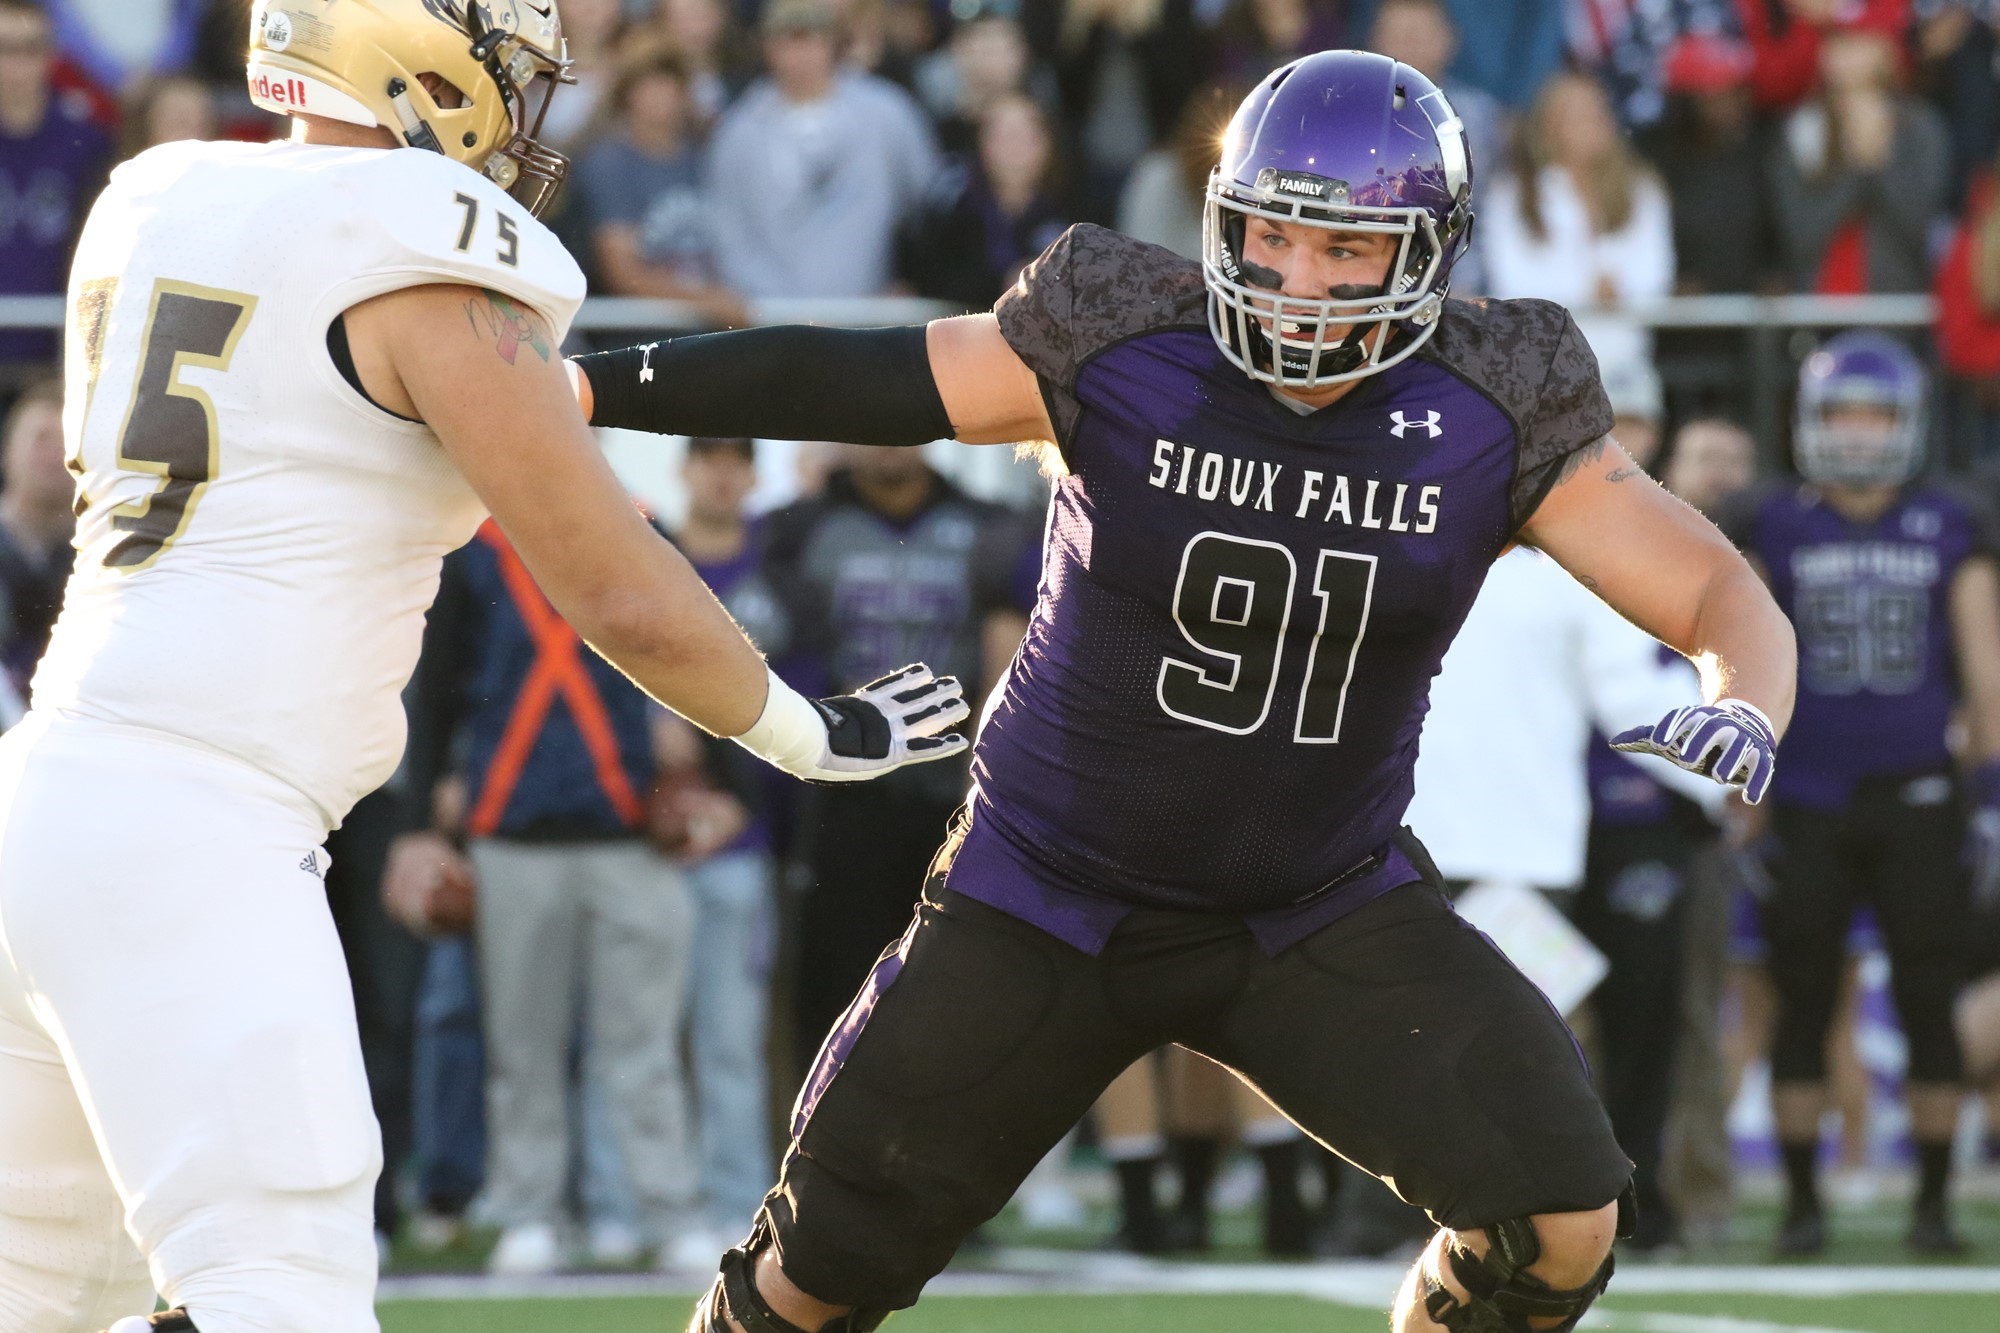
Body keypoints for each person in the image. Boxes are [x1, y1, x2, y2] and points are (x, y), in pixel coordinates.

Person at [568, 49, 1798, 1333]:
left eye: (1344, 252)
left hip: (1313, 903)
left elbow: (1715, 589)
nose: (1297, 282)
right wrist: (594, 384)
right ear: (1221, 218)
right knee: (806, 1287)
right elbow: (861, 380)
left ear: (1428, 253)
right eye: (1270, 235)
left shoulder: (1491, 401)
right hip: (1042, 892)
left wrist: (1743, 698)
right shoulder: (1122, 335)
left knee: (1557, 1224)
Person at [0, 2, 971, 1330]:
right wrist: (812, 732)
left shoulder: (158, 193)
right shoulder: (414, 243)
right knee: (281, 1292)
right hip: (193, 833)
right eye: (508, 72)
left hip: (53, 799)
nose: (520, 113)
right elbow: (614, 582)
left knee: (43, 1299)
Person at [1720, 332, 2000, 1256]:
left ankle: (1931, 1206)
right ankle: (1803, 1208)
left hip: (1919, 791)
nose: (1859, 431)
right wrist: (1744, 784)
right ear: (1808, 421)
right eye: (1842, 412)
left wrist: (1990, 784)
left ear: (1909, 423)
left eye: (1876, 413)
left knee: (1928, 997)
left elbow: (1985, 664)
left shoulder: (1950, 520)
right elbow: (1746, 662)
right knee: (1802, 999)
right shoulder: (1776, 521)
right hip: (1805, 794)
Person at [395, 515, 706, 1276]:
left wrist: (708, 782)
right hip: (513, 831)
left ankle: (668, 1212)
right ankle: (528, 1209)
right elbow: (435, 685)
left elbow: (700, 658)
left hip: (629, 832)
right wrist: (418, 824)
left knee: (645, 1045)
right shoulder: (473, 551)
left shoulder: (643, 530)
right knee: (520, 1047)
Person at [760, 444, 1038, 1079]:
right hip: (839, 798)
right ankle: (824, 1152)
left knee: (958, 987)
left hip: (953, 797)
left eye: (903, 425)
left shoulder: (987, 524)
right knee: (833, 987)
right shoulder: (800, 527)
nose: (889, 440)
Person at [703, 0, 941, 299]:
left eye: (813, 41)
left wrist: (910, 277)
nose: (801, 55)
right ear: (768, 48)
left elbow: (927, 206)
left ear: (833, 45)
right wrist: (770, 304)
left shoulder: (888, 113)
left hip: (871, 313)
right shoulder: (739, 131)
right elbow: (728, 231)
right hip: (772, 319)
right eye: (789, 42)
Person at [1482, 69, 1675, 379]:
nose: (1589, 124)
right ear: (1547, 126)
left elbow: (1657, 277)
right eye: (1574, 115)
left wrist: (1621, 290)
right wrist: (1586, 291)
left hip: (1626, 362)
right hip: (1541, 368)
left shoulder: (1641, 188)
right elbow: (1510, 285)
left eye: (1595, 111)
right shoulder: (1514, 194)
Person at [1767, 24, 1950, 298]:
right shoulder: (1803, 127)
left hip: (1896, 308)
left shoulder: (1920, 127)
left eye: (1857, 41)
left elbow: (1919, 230)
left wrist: (1879, 161)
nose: (1842, 56)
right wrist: (1858, 166)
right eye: (1835, 42)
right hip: (1816, 309)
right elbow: (1800, 236)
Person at [576, 52, 743, 326]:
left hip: (711, 316)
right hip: (639, 329)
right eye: (647, 87)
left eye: (668, 86)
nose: (658, 98)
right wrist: (706, 301)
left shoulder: (705, 155)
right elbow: (622, 272)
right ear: (626, 95)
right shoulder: (610, 163)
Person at [0, 0, 109, 368]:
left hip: (57, 360)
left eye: (30, 49)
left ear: (51, 55)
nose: (15, 65)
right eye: (4, 48)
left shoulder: (87, 143)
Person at [897, 92, 1072, 311]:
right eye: (1006, 136)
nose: (1016, 148)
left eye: (1028, 136)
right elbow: (927, 279)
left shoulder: (1069, 210)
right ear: (983, 142)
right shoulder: (950, 205)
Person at [0, 378, 73, 718]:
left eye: (67, 442)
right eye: (42, 438)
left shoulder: (102, 558)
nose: (54, 454)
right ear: (7, 449)